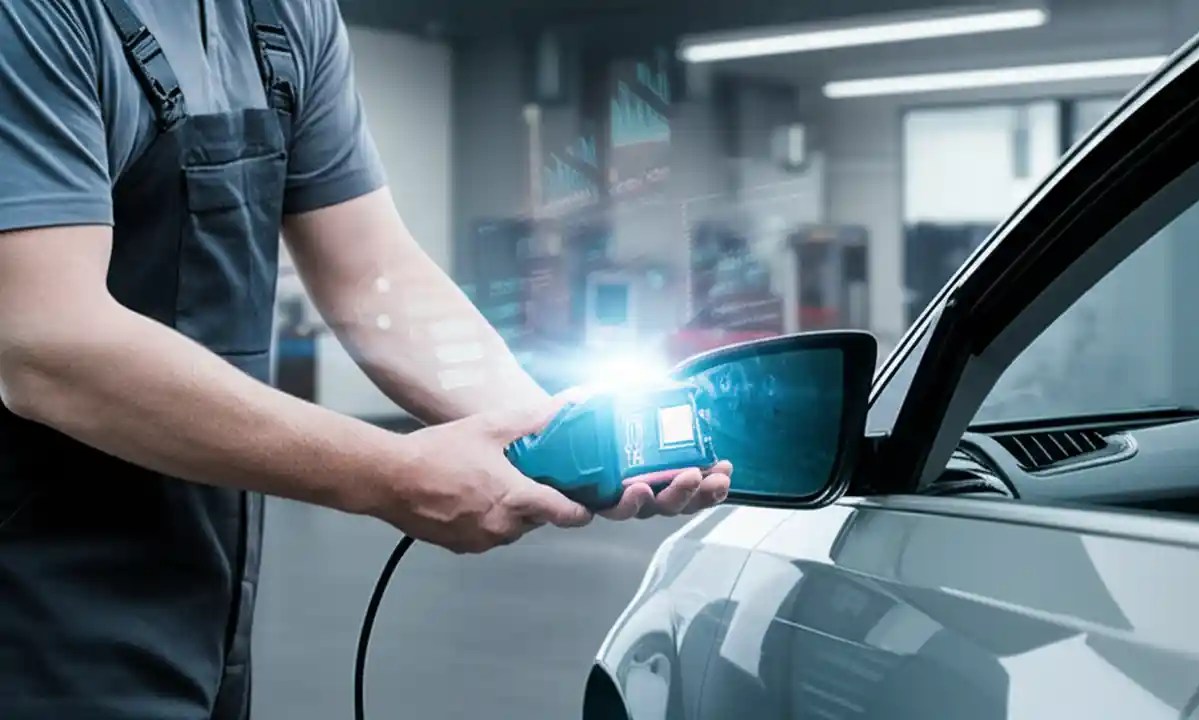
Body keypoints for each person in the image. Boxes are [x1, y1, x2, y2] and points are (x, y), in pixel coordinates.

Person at [0, 1, 733, 718]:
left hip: (204, 586)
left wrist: (550, 431)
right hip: (35, 600)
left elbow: (372, 275)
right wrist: (389, 475)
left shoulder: (290, 16)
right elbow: (49, 344)